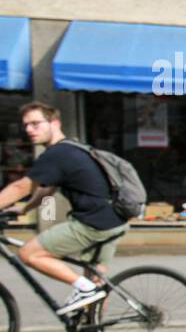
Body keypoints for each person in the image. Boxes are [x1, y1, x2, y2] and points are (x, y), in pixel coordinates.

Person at [0, 103, 128, 315]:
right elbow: (47, 189)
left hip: (93, 223)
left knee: (29, 254)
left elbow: (20, 186)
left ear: (55, 123)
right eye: (26, 125)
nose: (30, 130)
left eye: (35, 123)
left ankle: (86, 290)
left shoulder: (57, 154)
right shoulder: (71, 148)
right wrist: (24, 210)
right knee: (96, 280)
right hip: (114, 218)